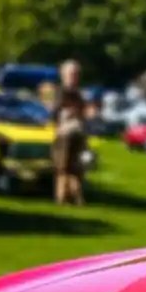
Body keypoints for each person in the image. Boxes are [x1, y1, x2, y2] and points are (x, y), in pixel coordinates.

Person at [50, 60, 88, 206]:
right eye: (71, 74)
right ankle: (61, 197)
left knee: (77, 166)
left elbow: (83, 111)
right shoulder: (59, 92)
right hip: (64, 133)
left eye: (76, 74)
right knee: (63, 166)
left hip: (78, 132)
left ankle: (76, 196)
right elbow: (54, 112)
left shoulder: (79, 93)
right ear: (63, 75)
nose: (74, 77)